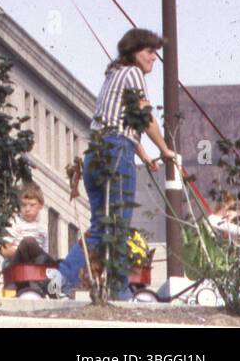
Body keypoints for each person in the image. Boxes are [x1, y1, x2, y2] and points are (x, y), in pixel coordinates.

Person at [48, 28, 177, 300]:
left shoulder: (113, 75)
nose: (154, 58)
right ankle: (120, 293)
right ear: (134, 52)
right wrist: (164, 149)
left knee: (100, 227)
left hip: (95, 153)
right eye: (149, 51)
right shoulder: (133, 73)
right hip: (117, 152)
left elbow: (118, 120)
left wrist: (143, 154)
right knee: (118, 225)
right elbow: (144, 115)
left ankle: (60, 280)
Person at [1, 182, 53, 267]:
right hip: (14, 264)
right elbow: (4, 250)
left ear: (40, 205)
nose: (27, 209)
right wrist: (24, 253)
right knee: (28, 242)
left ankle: (57, 265)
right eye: (24, 205)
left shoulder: (43, 227)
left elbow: (44, 252)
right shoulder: (15, 221)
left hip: (35, 265)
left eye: (32, 205)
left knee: (44, 257)